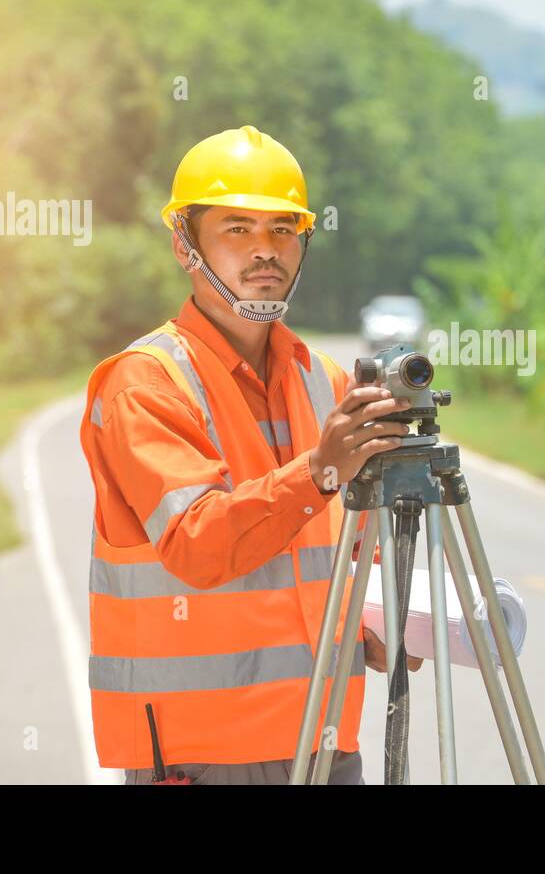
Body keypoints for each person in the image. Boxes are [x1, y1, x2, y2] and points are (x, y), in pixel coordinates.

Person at [79, 125, 421, 785]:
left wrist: (386, 616)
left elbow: (347, 547)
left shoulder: (326, 380)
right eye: (237, 229)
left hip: (325, 739)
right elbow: (198, 544)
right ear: (185, 245)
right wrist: (321, 468)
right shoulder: (144, 384)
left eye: (282, 230)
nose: (265, 251)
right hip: (201, 754)